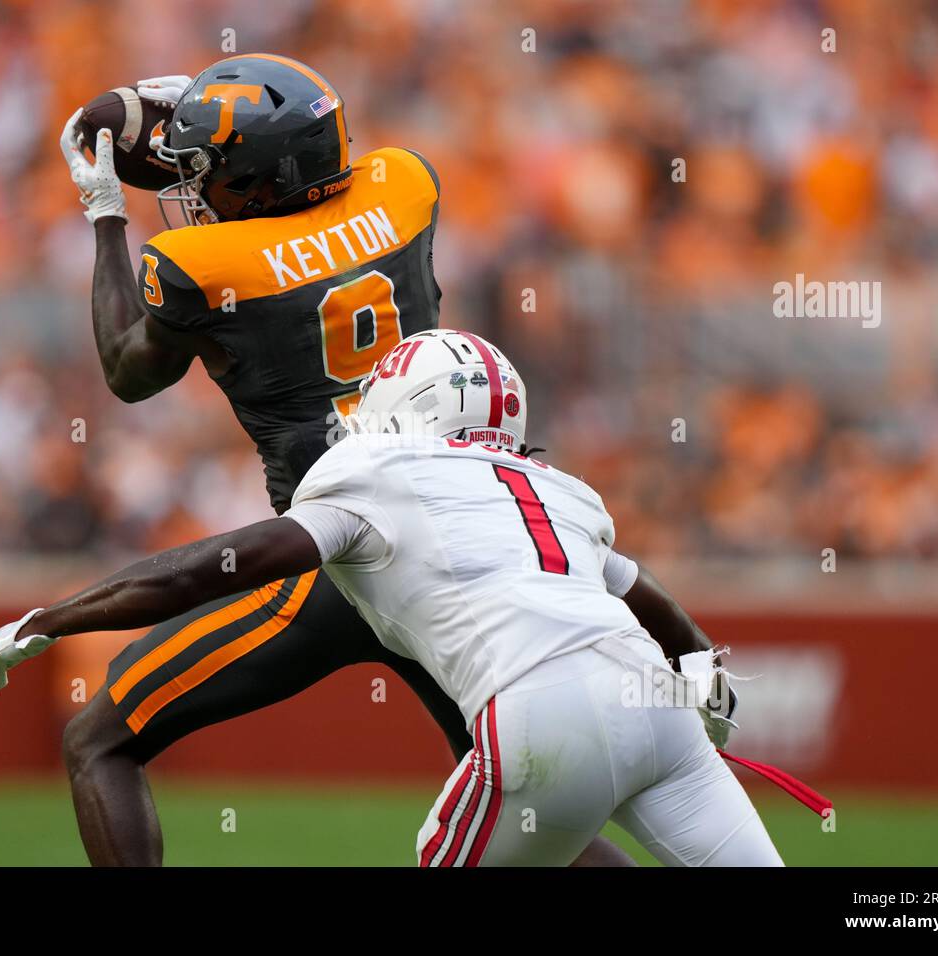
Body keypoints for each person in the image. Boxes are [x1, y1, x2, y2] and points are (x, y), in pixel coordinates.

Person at [48, 53, 638, 865]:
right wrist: (219, 117)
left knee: (99, 738)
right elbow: (307, 195)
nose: (194, 187)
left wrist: (106, 208)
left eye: (209, 170)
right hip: (458, 544)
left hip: (337, 558)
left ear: (258, 178)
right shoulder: (404, 188)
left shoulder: (203, 270)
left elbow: (126, 369)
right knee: (519, 801)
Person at [0, 329, 782, 866]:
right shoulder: (555, 489)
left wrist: (55, 616)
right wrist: (706, 680)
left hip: (544, 712)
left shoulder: (381, 474)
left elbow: (216, 566)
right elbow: (656, 604)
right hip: (658, 707)